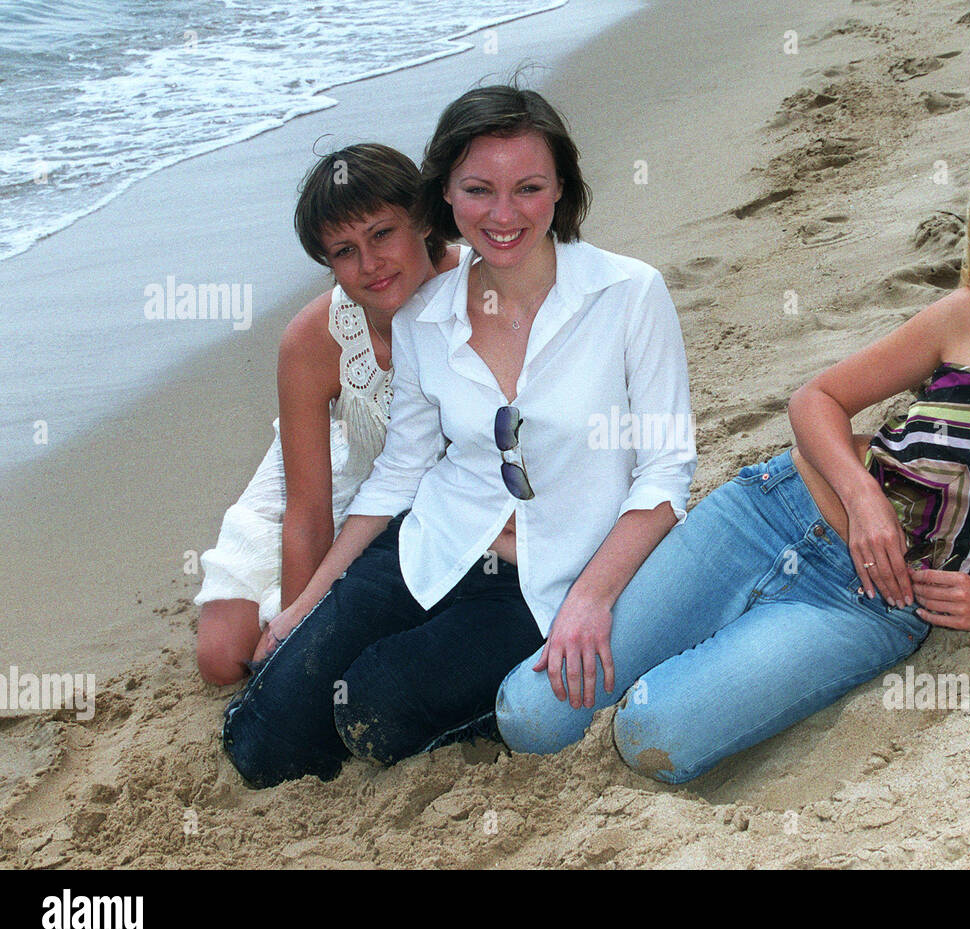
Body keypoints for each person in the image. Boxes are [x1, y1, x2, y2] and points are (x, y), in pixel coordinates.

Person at [496, 147, 970, 784]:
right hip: (772, 510)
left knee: (651, 730)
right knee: (531, 716)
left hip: (866, 605)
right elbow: (817, 398)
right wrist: (863, 497)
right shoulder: (969, 314)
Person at [220, 85, 696, 788]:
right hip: (430, 546)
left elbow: (665, 475)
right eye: (478, 190)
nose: (503, 215)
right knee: (263, 745)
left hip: (543, 581)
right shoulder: (425, 317)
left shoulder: (629, 294)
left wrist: (592, 598)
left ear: (560, 188)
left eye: (528, 188)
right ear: (444, 192)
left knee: (373, 707)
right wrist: (305, 603)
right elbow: (399, 472)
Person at [195, 144, 459, 685]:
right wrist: (298, 629)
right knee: (223, 661)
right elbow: (308, 509)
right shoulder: (313, 339)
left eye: (382, 233)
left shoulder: (483, 290)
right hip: (340, 457)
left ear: (423, 221)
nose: (370, 265)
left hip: (420, 484)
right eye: (344, 250)